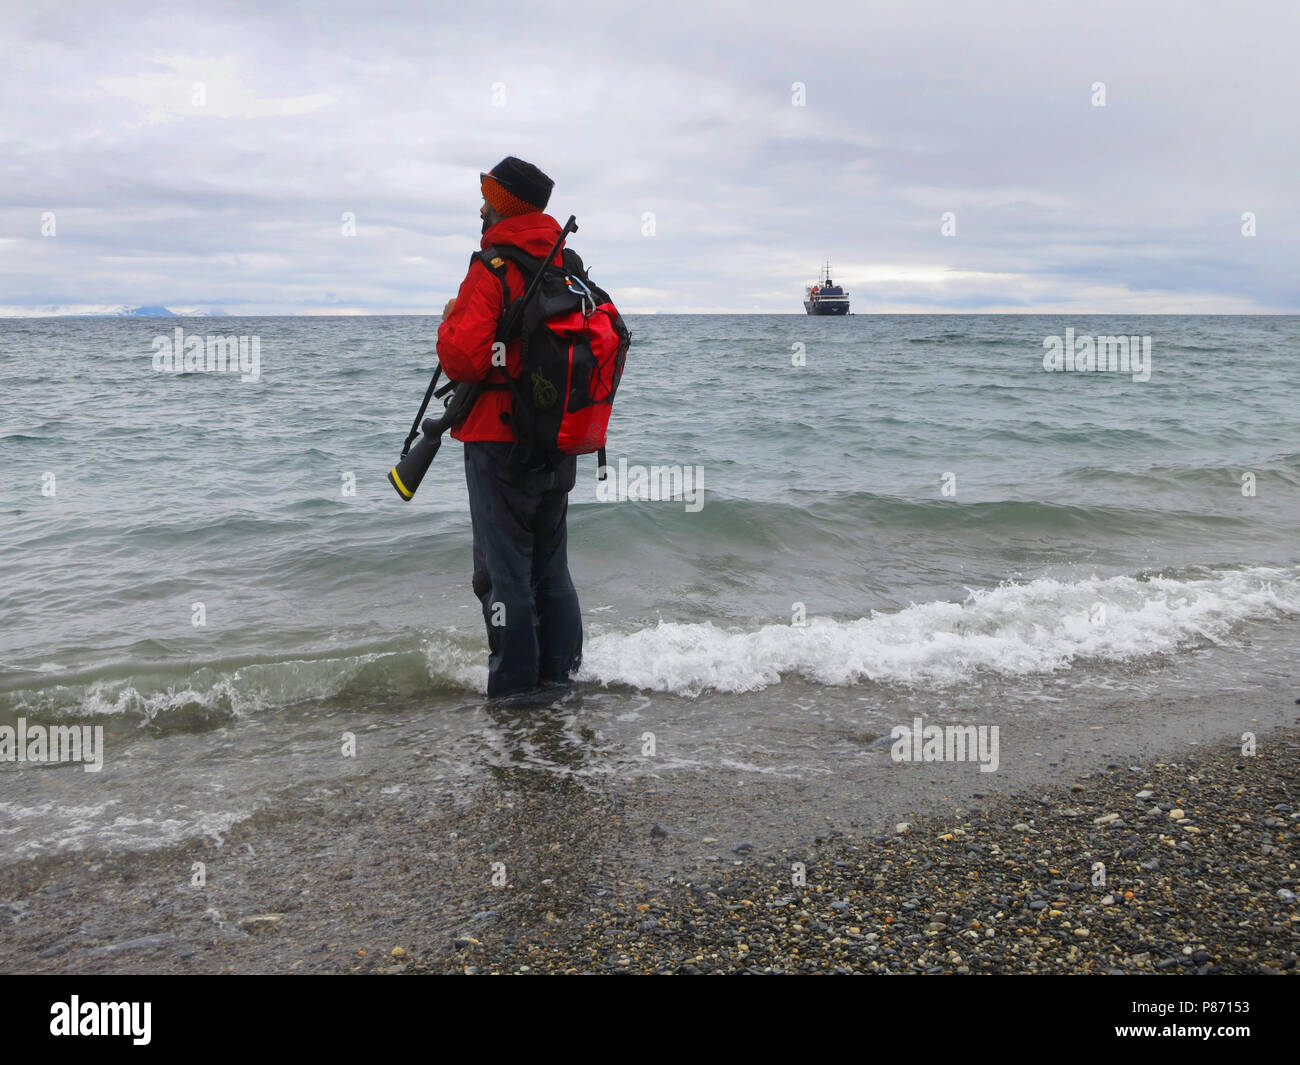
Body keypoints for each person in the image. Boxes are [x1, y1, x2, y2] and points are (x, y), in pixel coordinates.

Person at [435, 157, 582, 699]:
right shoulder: (568, 263)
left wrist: (452, 316)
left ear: (506, 205)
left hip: (498, 440)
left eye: (488, 199)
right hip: (558, 437)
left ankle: (515, 696)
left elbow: (465, 359)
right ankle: (561, 681)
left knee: (503, 576)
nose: (481, 207)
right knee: (551, 571)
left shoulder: (492, 266)